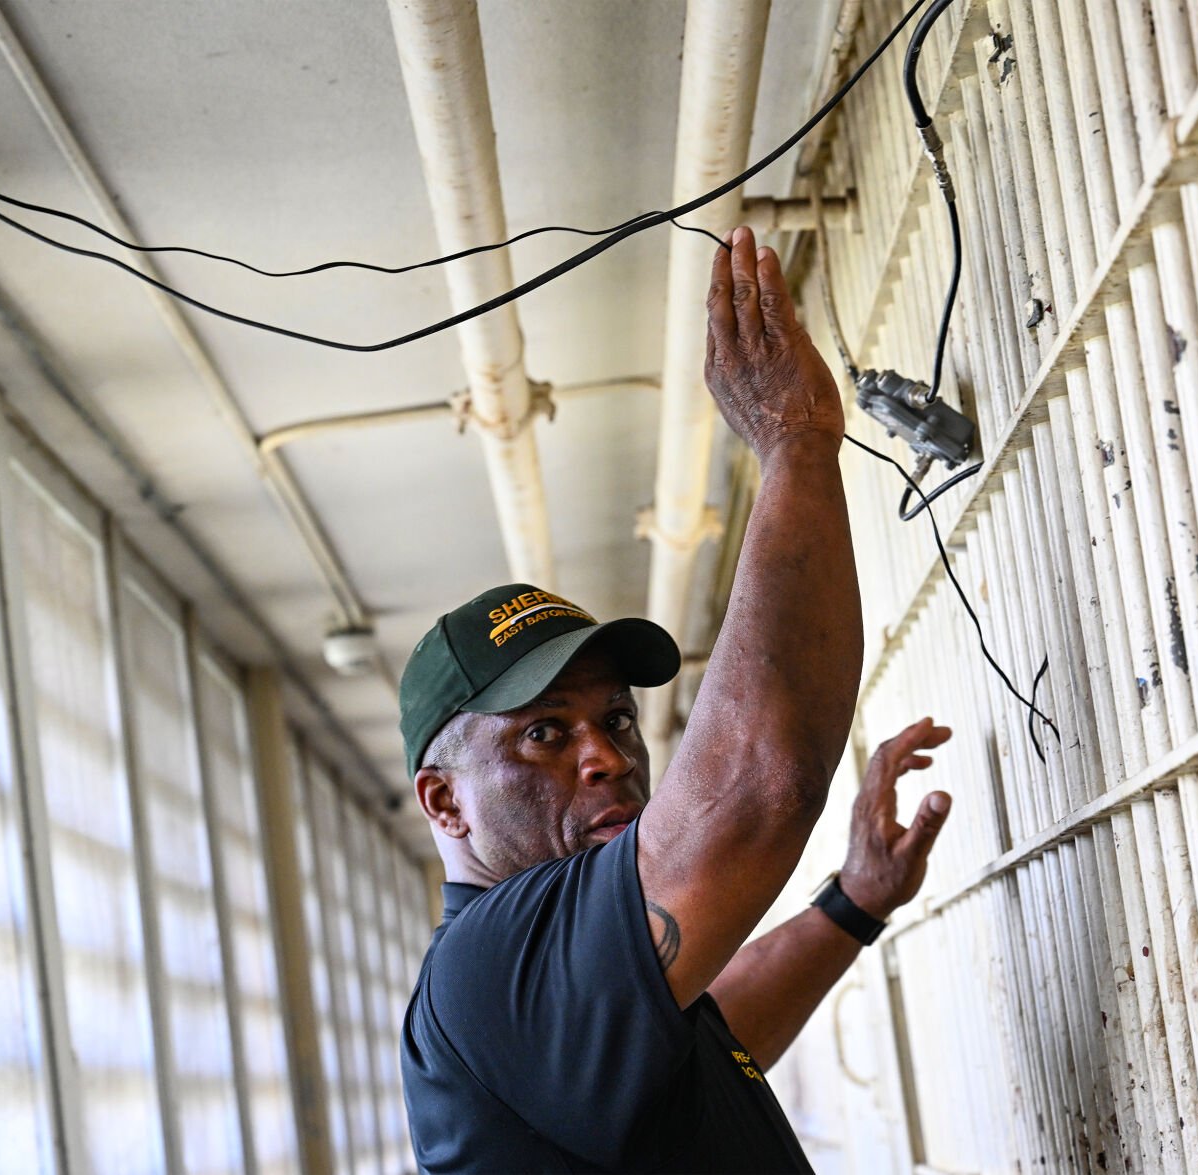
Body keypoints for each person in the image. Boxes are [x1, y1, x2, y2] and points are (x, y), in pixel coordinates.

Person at [398, 226, 954, 1173]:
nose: (606, 754)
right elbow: (758, 789)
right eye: (541, 733)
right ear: (444, 798)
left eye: (614, 718)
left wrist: (853, 901)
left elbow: (716, 1024)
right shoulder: (488, 966)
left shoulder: (569, 985)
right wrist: (796, 447)